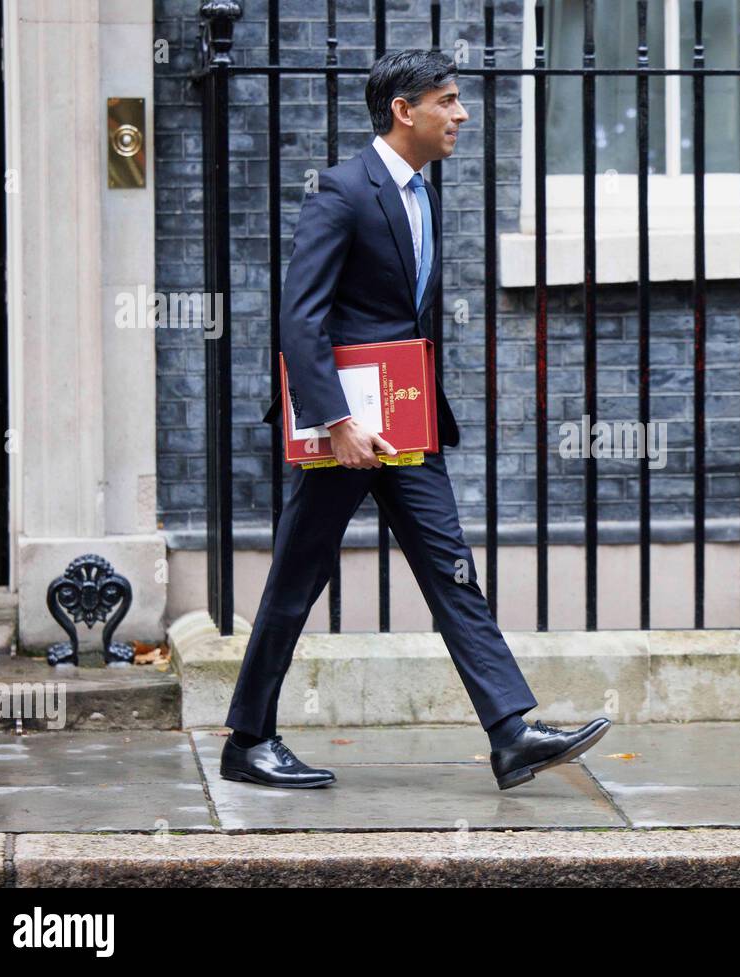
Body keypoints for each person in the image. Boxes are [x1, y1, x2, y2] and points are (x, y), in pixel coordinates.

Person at [219, 49, 610, 791]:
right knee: (298, 578)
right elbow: (299, 321)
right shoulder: (342, 192)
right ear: (405, 111)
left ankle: (510, 732)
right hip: (345, 434)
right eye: (448, 101)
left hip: (405, 427)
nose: (461, 114)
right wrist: (335, 420)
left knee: (450, 569)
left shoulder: (424, 194)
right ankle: (248, 737)